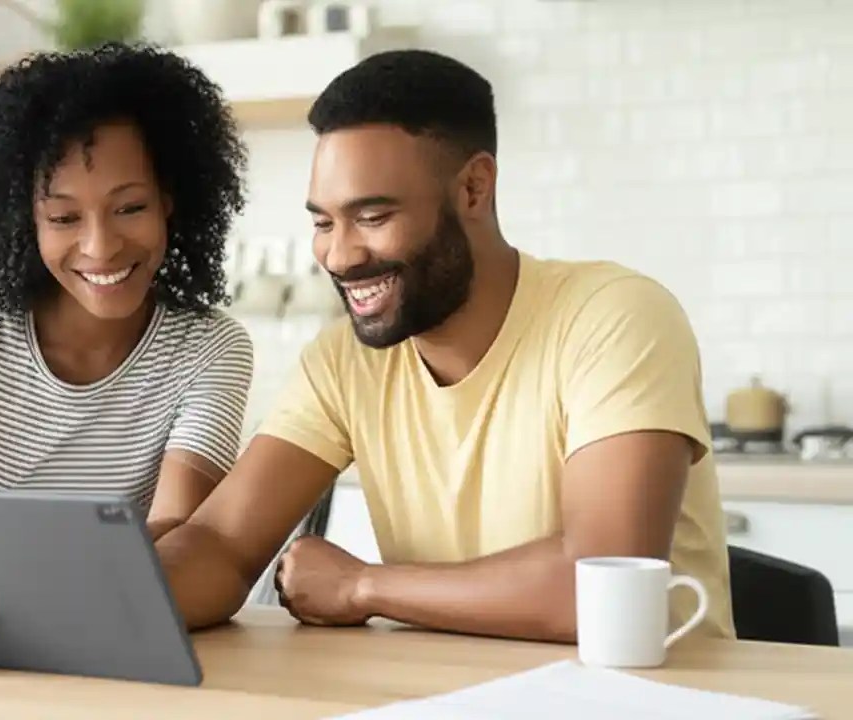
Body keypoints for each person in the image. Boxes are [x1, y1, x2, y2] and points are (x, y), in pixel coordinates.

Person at [155, 49, 735, 642]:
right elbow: (222, 543)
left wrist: (364, 586)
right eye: (324, 223)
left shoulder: (615, 317)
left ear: (474, 189)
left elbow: (599, 591)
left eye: (373, 216)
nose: (340, 255)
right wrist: (102, 594)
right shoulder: (341, 363)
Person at [0, 42, 253, 665]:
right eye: (64, 218)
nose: (100, 246)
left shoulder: (210, 348)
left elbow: (178, 535)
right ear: (26, 221)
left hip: (124, 650)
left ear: (172, 200)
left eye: (130, 208)